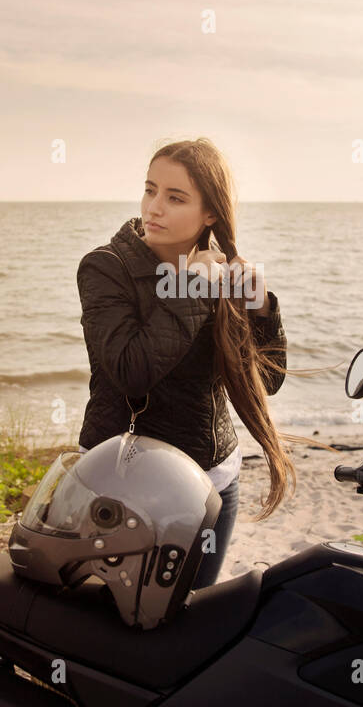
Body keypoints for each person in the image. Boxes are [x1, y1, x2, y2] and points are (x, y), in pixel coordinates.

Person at [75, 138, 296, 590]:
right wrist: (191, 289)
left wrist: (263, 309)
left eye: (175, 198)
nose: (154, 207)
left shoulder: (220, 272)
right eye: (150, 189)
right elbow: (130, 371)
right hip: (127, 484)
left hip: (216, 482)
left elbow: (268, 382)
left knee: (190, 621)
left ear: (210, 212)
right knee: (119, 625)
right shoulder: (105, 268)